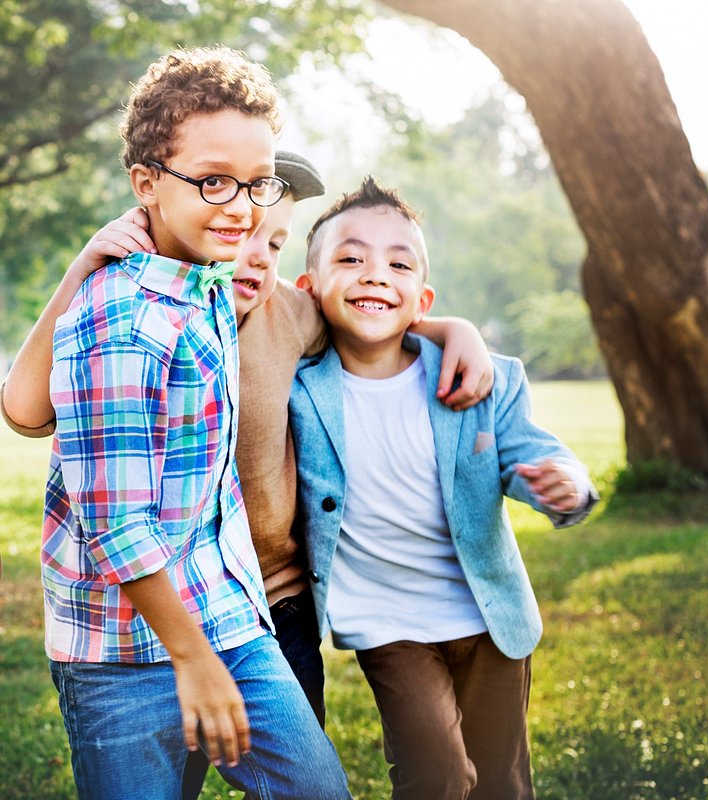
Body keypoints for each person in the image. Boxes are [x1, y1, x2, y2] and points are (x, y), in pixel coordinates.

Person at [3, 156, 495, 795]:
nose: (258, 255)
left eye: (276, 241)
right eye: (245, 236)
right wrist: (83, 268)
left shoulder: (288, 313)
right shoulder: (138, 317)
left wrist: (454, 329)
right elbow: (23, 408)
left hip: (269, 607)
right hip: (149, 612)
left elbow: (368, 315)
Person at [18, 45, 350, 800]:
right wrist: (193, 660)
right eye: (213, 182)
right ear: (146, 186)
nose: (243, 207)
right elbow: (116, 522)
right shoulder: (122, 317)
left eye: (258, 184)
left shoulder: (207, 286)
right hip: (124, 651)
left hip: (228, 616)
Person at [289, 176, 600, 800]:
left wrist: (562, 483)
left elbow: (528, 451)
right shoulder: (297, 388)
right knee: (437, 775)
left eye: (398, 264)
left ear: (421, 297)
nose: (375, 275)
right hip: (387, 623)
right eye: (350, 259)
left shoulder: (483, 377)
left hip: (488, 615)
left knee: (502, 784)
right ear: (308, 289)